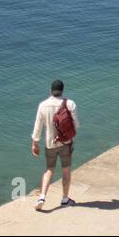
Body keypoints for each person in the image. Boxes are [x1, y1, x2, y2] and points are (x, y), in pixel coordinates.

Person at [31, 79, 80, 211]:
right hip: (66, 143)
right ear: (63, 90)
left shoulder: (42, 105)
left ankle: (42, 197)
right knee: (66, 170)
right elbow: (77, 125)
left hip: (49, 144)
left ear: (50, 91)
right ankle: (65, 199)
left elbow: (38, 127)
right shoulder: (70, 104)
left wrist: (35, 143)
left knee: (49, 170)